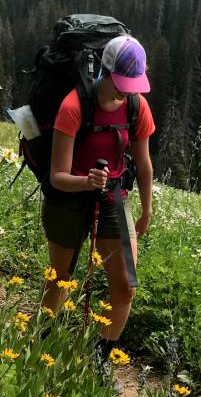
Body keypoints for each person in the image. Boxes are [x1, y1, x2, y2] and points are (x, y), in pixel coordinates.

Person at [40, 35, 155, 375]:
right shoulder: (74, 106)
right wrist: (86, 181)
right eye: (122, 84)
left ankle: (100, 359)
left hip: (113, 197)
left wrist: (147, 208)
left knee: (126, 285)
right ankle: (41, 346)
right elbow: (58, 175)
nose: (127, 92)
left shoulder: (136, 107)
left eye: (132, 85)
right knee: (60, 278)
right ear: (105, 72)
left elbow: (144, 164)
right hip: (68, 198)